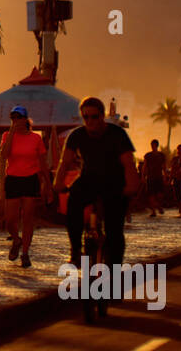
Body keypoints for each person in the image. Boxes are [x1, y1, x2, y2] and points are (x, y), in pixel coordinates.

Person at [54, 96, 140, 270]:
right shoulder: (76, 135)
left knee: (114, 230)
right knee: (73, 205)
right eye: (86, 117)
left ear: (102, 116)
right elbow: (65, 162)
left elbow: (128, 163)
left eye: (94, 116)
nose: (90, 121)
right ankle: (76, 251)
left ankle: (114, 271)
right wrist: (57, 184)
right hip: (88, 180)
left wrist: (131, 186)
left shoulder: (117, 134)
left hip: (114, 182)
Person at [0, 106, 53, 268]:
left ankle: (25, 253)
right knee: (10, 220)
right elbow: (3, 155)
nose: (16, 121)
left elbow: (43, 164)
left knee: (28, 218)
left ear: (25, 119)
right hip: (13, 179)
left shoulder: (35, 138)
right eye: (13, 118)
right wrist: (11, 132)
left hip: (30, 179)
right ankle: (16, 239)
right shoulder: (8, 135)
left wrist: (48, 186)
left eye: (18, 118)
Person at [142, 139, 167, 217]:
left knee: (160, 194)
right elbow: (145, 165)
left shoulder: (161, 155)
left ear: (157, 145)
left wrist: (165, 176)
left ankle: (158, 206)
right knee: (151, 194)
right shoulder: (148, 155)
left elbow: (164, 166)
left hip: (159, 176)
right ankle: (153, 211)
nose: (153, 147)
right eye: (152, 145)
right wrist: (143, 176)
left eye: (154, 145)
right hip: (150, 177)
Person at [170, 143, 181, 216]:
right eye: (179, 149)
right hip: (176, 178)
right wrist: (170, 179)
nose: (180, 151)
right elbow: (172, 169)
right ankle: (180, 209)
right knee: (177, 195)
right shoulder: (175, 159)